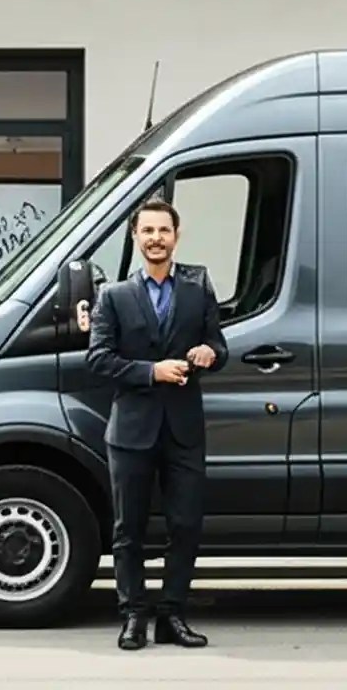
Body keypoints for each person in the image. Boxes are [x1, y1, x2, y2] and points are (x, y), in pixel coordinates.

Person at [85, 198, 228, 651]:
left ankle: (172, 614)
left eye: (163, 230)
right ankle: (132, 616)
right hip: (131, 430)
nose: (155, 239)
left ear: (176, 236)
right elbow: (98, 360)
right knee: (129, 529)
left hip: (183, 428)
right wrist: (151, 372)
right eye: (147, 231)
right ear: (135, 237)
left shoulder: (198, 284)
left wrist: (210, 354)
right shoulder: (114, 296)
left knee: (185, 524)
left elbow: (218, 346)